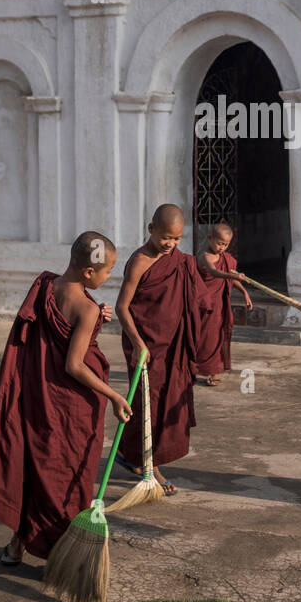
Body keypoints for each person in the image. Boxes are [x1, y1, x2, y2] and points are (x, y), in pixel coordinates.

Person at [0, 231, 130, 565]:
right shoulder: (87, 308)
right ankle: (59, 553)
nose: (110, 277)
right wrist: (114, 395)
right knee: (66, 478)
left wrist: (94, 320)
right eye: (107, 271)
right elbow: (74, 365)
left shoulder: (46, 285)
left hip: (37, 397)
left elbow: (52, 330)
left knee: (35, 467)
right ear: (89, 273)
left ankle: (17, 544)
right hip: (70, 408)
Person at [115, 203, 201, 494]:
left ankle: (132, 456)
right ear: (151, 229)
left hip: (172, 346)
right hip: (144, 345)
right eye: (165, 237)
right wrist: (139, 343)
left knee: (165, 404)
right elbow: (122, 307)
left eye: (177, 239)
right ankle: (150, 467)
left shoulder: (180, 261)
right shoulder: (139, 261)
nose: (171, 244)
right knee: (146, 405)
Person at [195, 221, 252, 385]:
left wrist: (244, 292)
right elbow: (214, 272)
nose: (222, 248)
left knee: (218, 337)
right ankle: (194, 368)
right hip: (204, 305)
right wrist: (234, 276)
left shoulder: (226, 259)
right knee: (203, 337)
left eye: (226, 245)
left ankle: (214, 372)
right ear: (210, 238)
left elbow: (231, 278)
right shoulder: (205, 256)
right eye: (219, 243)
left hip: (219, 306)